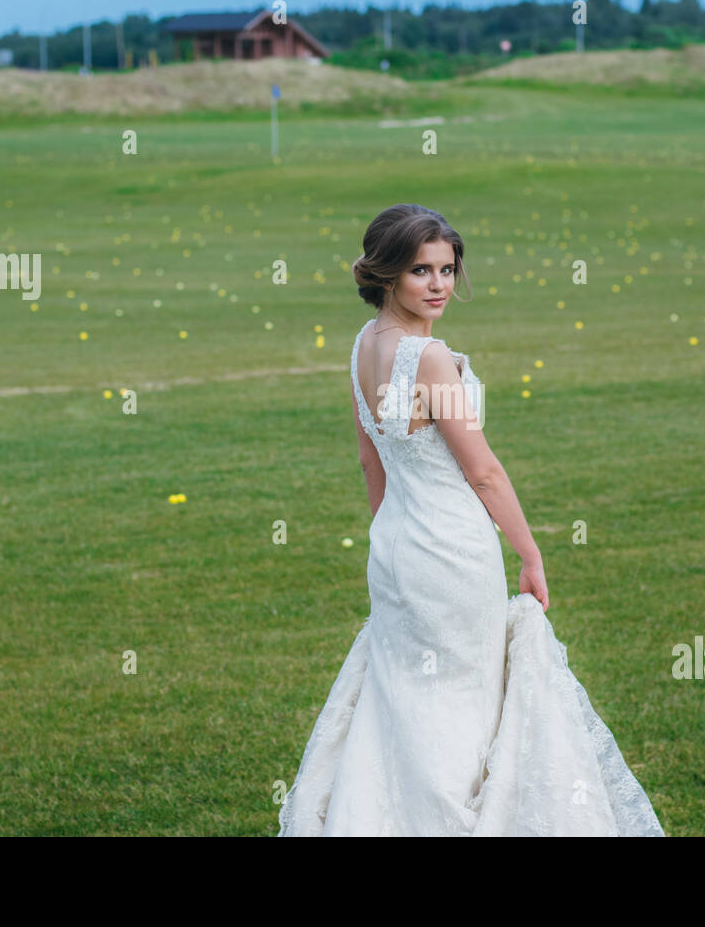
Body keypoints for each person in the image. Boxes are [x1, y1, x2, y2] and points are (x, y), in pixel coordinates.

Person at [278, 204, 665, 836]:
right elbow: (482, 472)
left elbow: (371, 462)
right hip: (453, 553)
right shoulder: (428, 359)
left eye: (447, 269)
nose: (438, 285)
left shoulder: (363, 346)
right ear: (386, 275)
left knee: (406, 701)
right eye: (419, 271)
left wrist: (390, 538)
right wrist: (531, 555)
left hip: (398, 550)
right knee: (461, 703)